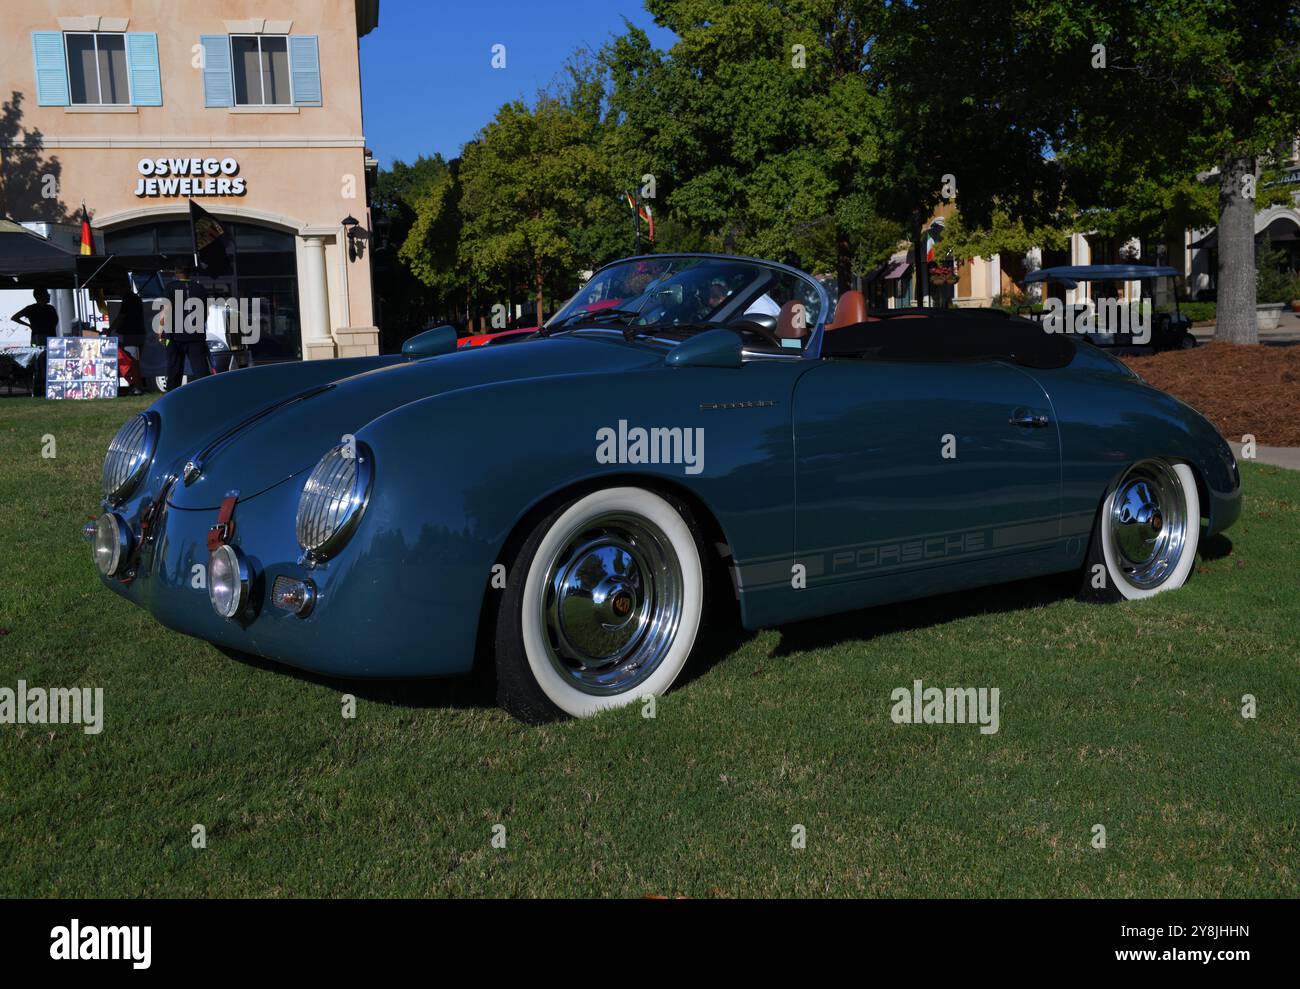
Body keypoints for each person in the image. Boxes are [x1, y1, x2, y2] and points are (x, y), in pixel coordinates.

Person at [158, 264, 211, 390]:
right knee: (200, 368)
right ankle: (207, 391)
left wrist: (160, 328)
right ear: (190, 272)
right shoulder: (200, 288)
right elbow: (206, 311)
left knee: (174, 367)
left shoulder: (170, 287)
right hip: (196, 334)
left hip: (174, 334)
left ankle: (172, 395)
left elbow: (166, 309)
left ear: (176, 272)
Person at [10, 287, 59, 393]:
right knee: (41, 361)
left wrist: (29, 325)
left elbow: (15, 317)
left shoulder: (46, 308)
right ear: (40, 296)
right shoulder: (45, 309)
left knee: (42, 361)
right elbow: (14, 317)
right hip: (42, 337)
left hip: (41, 337)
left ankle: (43, 384)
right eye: (46, 294)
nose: (48, 296)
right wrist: (29, 325)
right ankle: (41, 384)